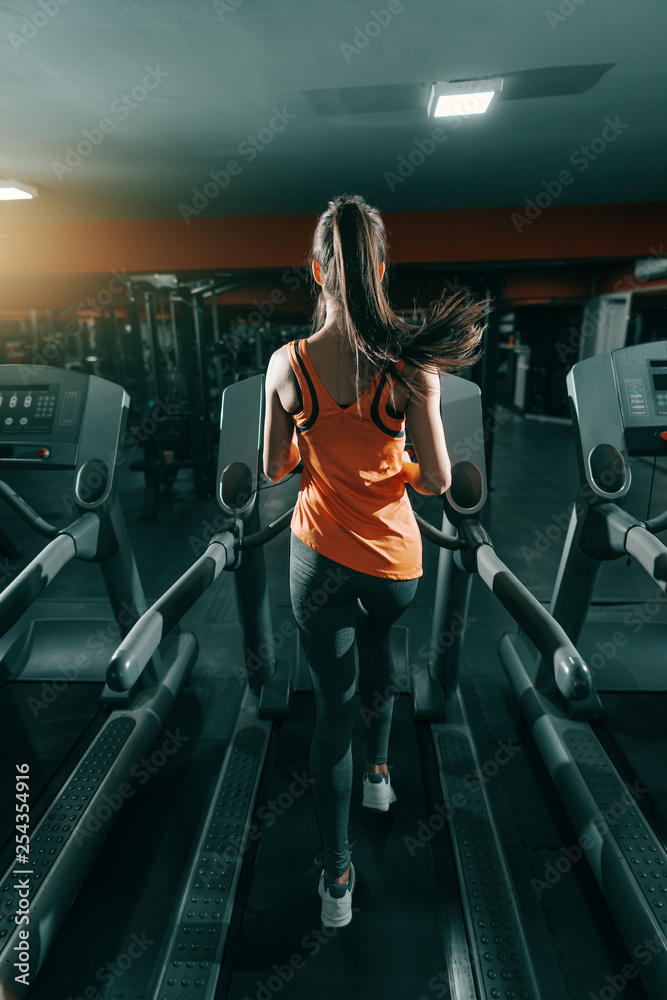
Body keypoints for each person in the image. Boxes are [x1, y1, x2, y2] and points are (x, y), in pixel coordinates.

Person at [262, 194, 489, 929]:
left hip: (318, 564)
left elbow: (273, 468)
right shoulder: (410, 365)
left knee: (330, 710)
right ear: (379, 267)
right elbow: (438, 481)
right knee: (386, 648)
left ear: (316, 270)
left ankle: (335, 882)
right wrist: (392, 464)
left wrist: (313, 446)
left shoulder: (286, 363)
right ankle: (381, 778)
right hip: (393, 567)